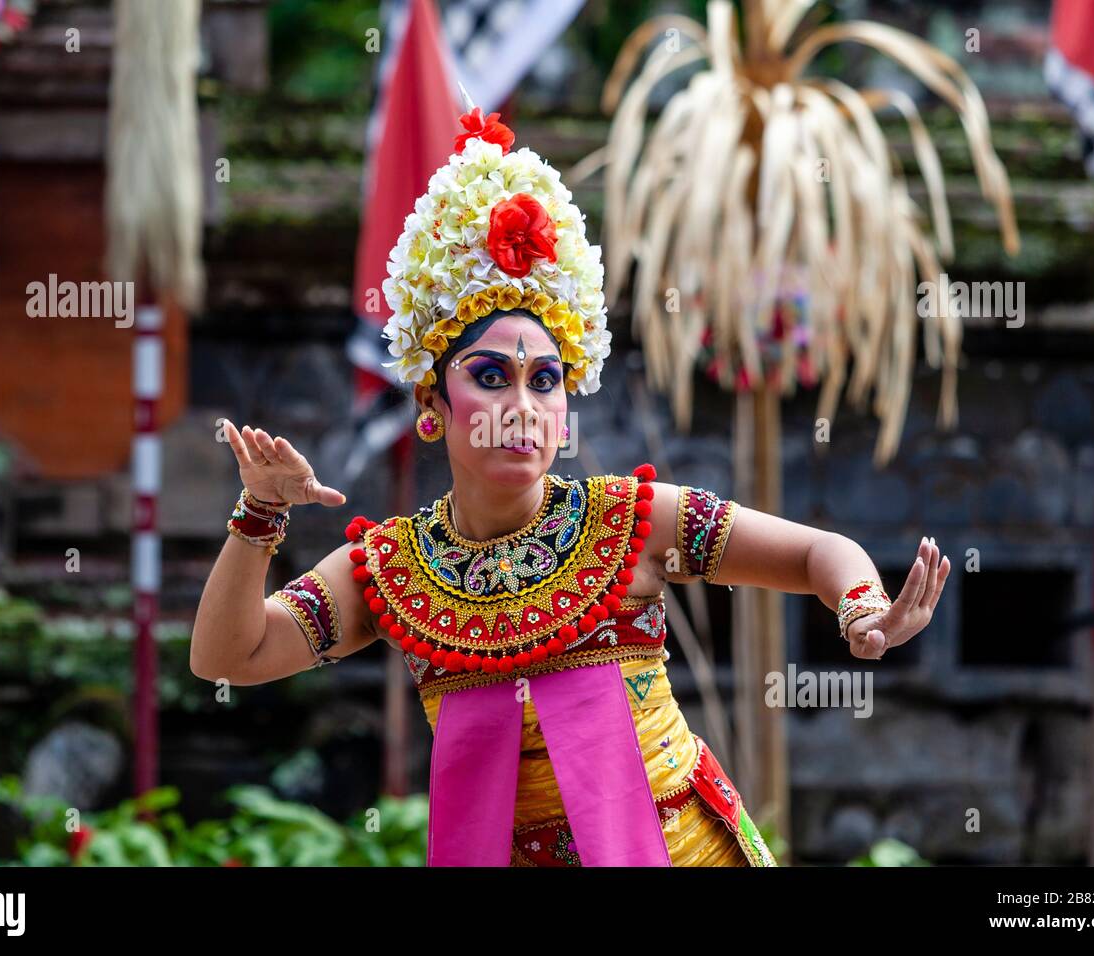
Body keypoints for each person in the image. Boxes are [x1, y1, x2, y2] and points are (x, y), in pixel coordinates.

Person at [190, 107, 951, 867]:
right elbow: (230, 655)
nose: (521, 406)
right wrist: (260, 513)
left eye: (544, 380)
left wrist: (863, 608)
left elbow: (820, 552)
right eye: (490, 377)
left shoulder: (631, 522)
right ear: (431, 406)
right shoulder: (391, 572)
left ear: (563, 412)